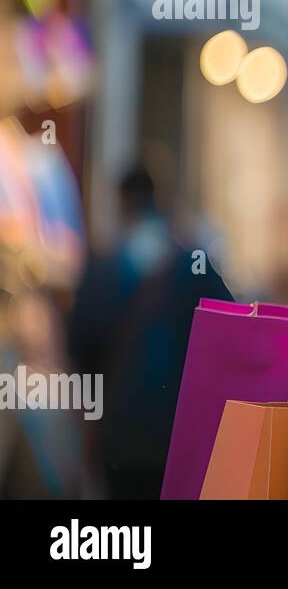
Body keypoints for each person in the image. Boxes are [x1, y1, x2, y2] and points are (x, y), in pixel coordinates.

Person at [66, 165, 232, 499]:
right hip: (179, 432)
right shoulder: (192, 262)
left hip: (118, 433)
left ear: (120, 202)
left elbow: (80, 350)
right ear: (160, 198)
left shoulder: (101, 265)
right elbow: (227, 331)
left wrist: (87, 428)